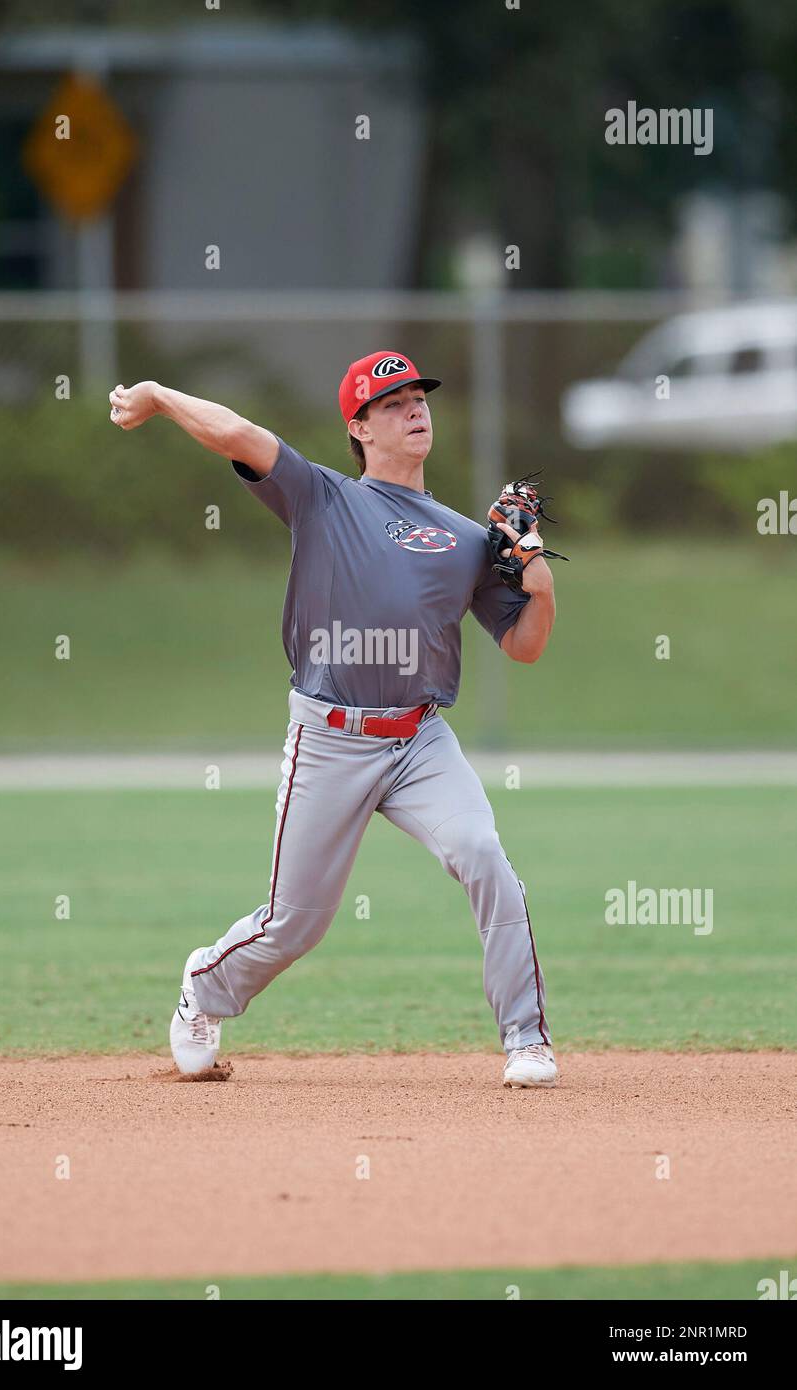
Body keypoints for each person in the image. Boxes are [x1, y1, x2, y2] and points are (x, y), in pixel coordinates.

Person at [109, 350, 558, 1088]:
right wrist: (158, 394)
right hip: (329, 738)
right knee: (297, 923)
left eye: (419, 398)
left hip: (419, 740)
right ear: (359, 427)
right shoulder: (321, 497)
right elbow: (236, 432)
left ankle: (527, 1039)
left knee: (484, 855)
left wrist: (539, 589)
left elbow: (525, 647)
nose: (415, 410)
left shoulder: (466, 540)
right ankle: (204, 987)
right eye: (392, 403)